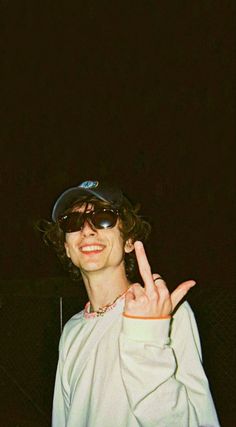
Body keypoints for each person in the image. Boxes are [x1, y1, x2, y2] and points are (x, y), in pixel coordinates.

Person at [42, 180, 220, 427]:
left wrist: (148, 334)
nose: (87, 230)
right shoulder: (72, 330)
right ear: (67, 248)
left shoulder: (166, 311)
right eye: (72, 223)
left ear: (128, 241)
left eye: (103, 218)